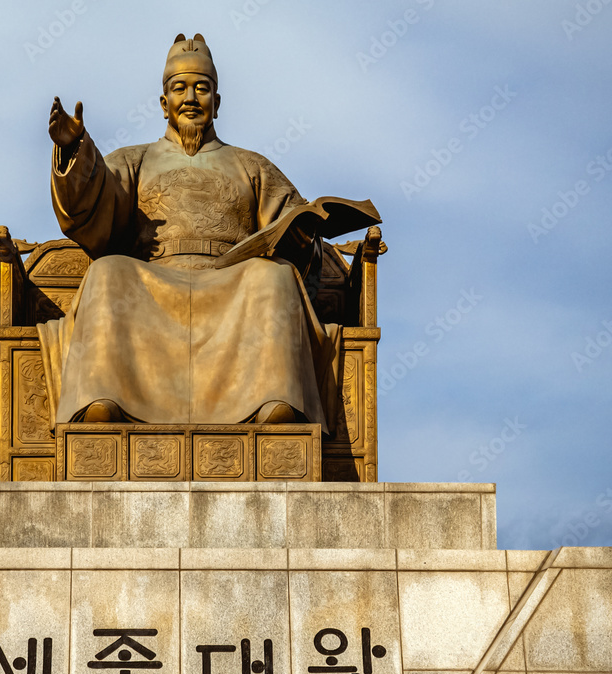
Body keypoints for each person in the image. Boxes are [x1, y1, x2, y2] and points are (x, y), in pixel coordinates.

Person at [35, 33, 366, 430]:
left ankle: (275, 402)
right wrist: (74, 149)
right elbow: (90, 207)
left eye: (202, 89)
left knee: (274, 276)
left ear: (217, 102)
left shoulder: (252, 166)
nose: (191, 98)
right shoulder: (134, 160)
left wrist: (302, 242)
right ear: (163, 104)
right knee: (108, 272)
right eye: (180, 89)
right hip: (152, 280)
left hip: (232, 282)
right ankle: (105, 400)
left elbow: (295, 231)